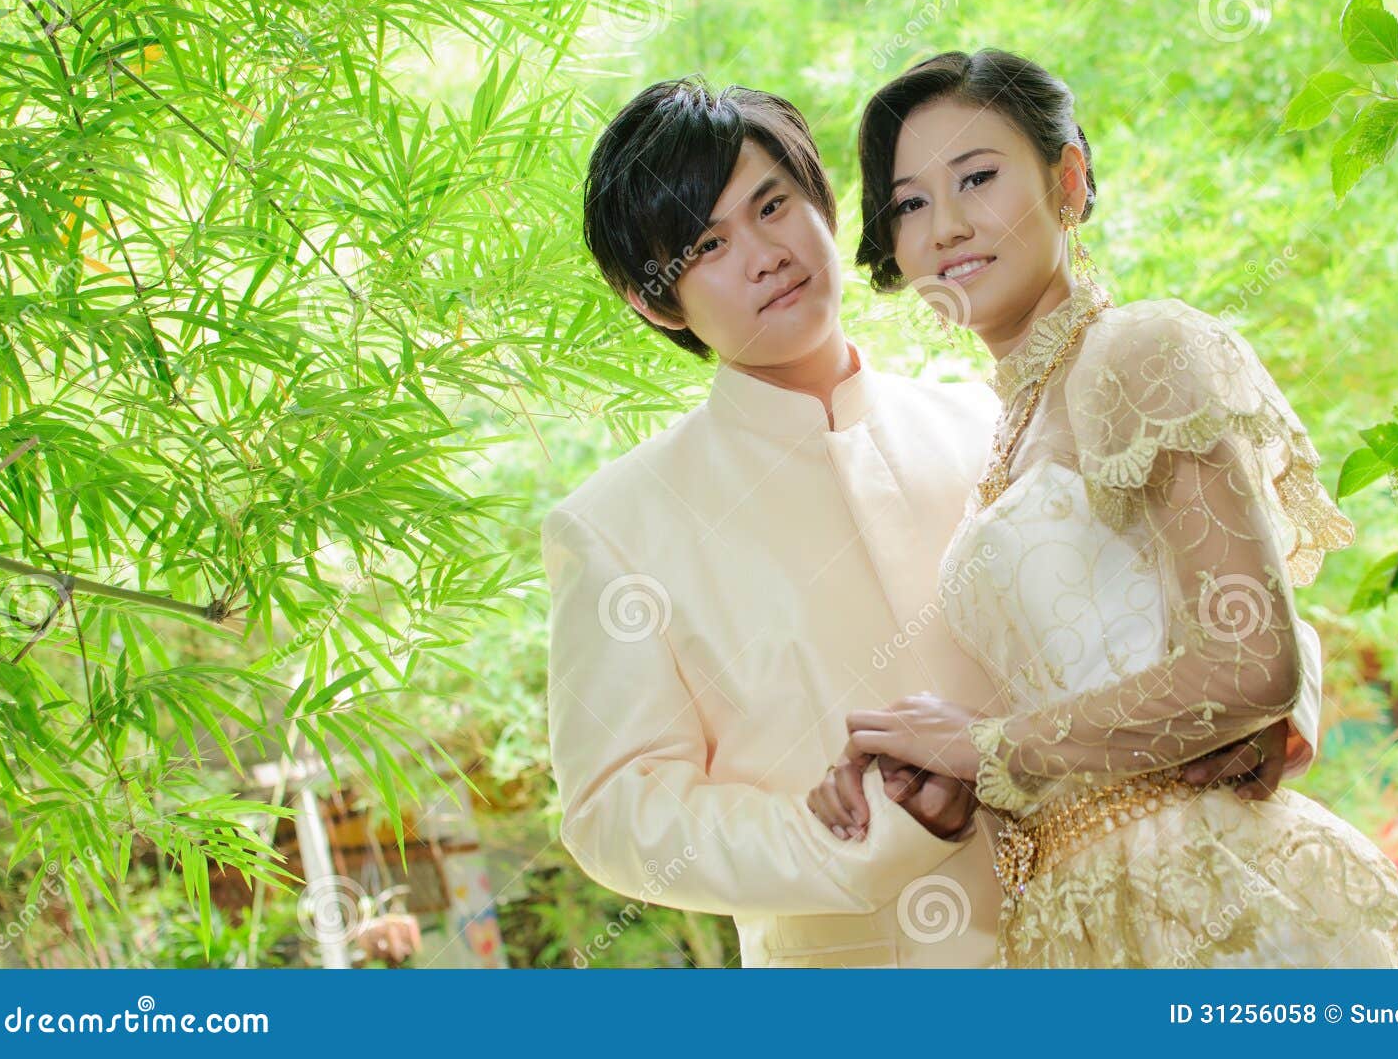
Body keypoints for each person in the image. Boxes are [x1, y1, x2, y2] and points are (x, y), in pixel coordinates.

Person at [545, 76, 1311, 967]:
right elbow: (616, 812)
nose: (766, 255)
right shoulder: (616, 525)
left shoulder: (994, 422)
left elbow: (1201, 584)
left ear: (827, 203)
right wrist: (874, 837)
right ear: (654, 301)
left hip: (1135, 940)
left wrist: (1272, 710)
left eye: (774, 204)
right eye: (708, 244)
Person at [810, 48, 1398, 967]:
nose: (945, 226)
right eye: (909, 203)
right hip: (1073, 925)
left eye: (977, 178)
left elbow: (1250, 657)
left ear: (1069, 177)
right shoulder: (1003, 437)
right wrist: (951, 775)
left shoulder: (1139, 348)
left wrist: (986, 746)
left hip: (1209, 897)